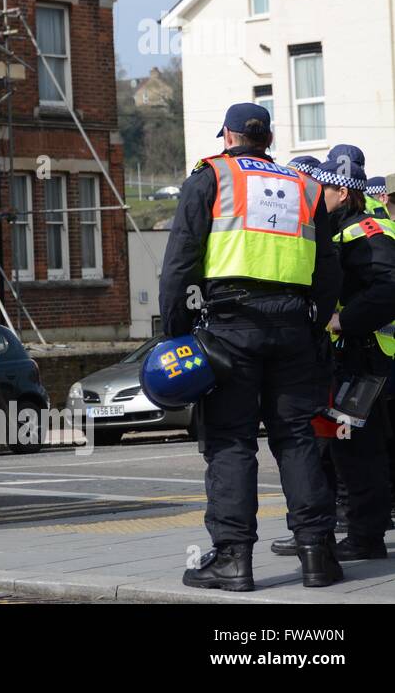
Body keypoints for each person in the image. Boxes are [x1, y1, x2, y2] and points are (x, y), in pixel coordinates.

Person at [159, 103, 341, 591]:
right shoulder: (303, 186)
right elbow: (328, 271)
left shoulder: (211, 177)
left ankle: (233, 561)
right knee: (297, 438)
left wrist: (173, 333)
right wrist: (315, 323)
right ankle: (318, 556)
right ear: (267, 138)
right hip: (293, 329)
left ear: (229, 136)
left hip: (231, 329)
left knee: (230, 441)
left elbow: (179, 262)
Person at [314, 147, 395, 559]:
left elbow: (388, 289)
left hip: (367, 361)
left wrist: (344, 322)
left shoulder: (367, 232)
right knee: (352, 448)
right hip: (362, 360)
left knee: (358, 451)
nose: (317, 194)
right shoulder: (348, 229)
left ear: (343, 192)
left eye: (324, 187)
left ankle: (365, 537)